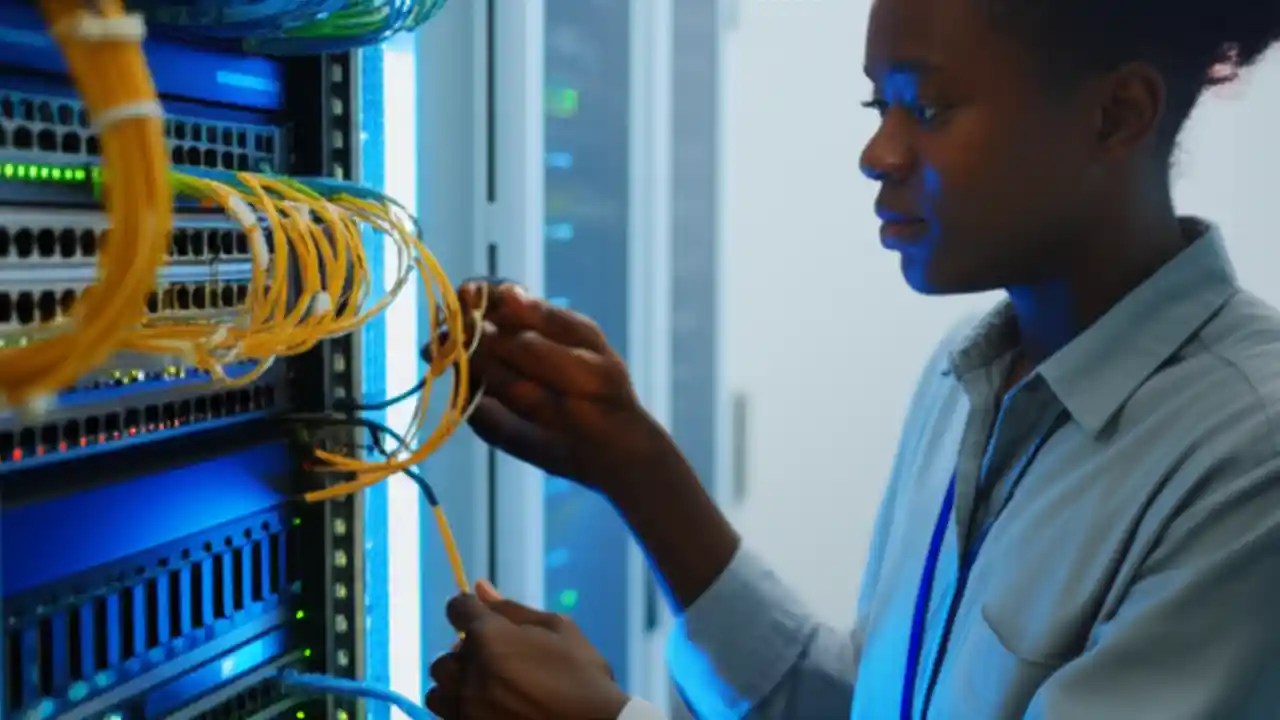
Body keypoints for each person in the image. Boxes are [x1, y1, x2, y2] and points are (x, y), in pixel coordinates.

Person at [426, 0, 1280, 716]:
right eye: (880, 108)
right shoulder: (972, 370)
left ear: (1115, 114)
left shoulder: (1249, 457)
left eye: (931, 109)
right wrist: (632, 464)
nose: (880, 154)